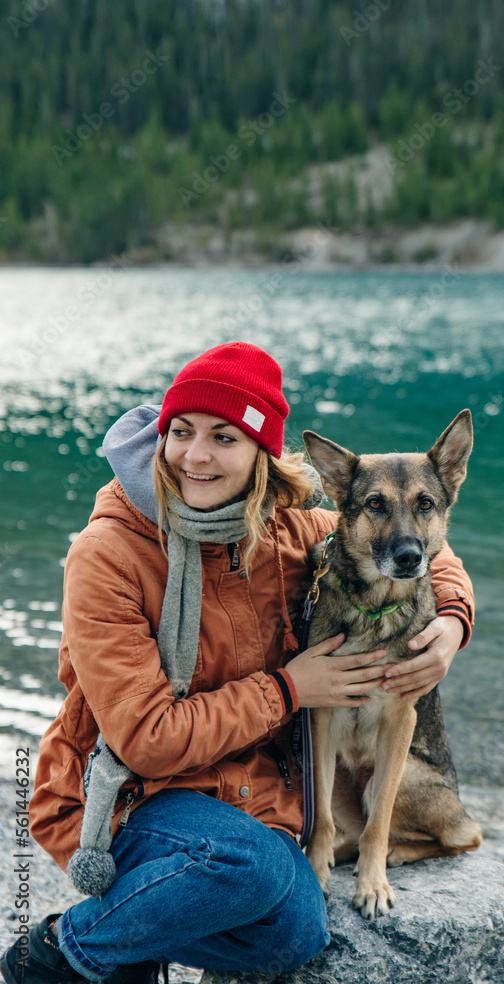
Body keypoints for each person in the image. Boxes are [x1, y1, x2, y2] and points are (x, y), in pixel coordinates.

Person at [3, 342, 474, 984]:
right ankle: (65, 952)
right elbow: (145, 739)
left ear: (260, 455)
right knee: (250, 869)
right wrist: (289, 689)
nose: (195, 456)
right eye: (180, 431)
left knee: (298, 932)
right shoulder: (108, 553)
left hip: (247, 795)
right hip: (126, 792)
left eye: (224, 436)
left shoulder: (285, 528)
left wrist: (450, 623)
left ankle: (136, 944)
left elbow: (414, 551)